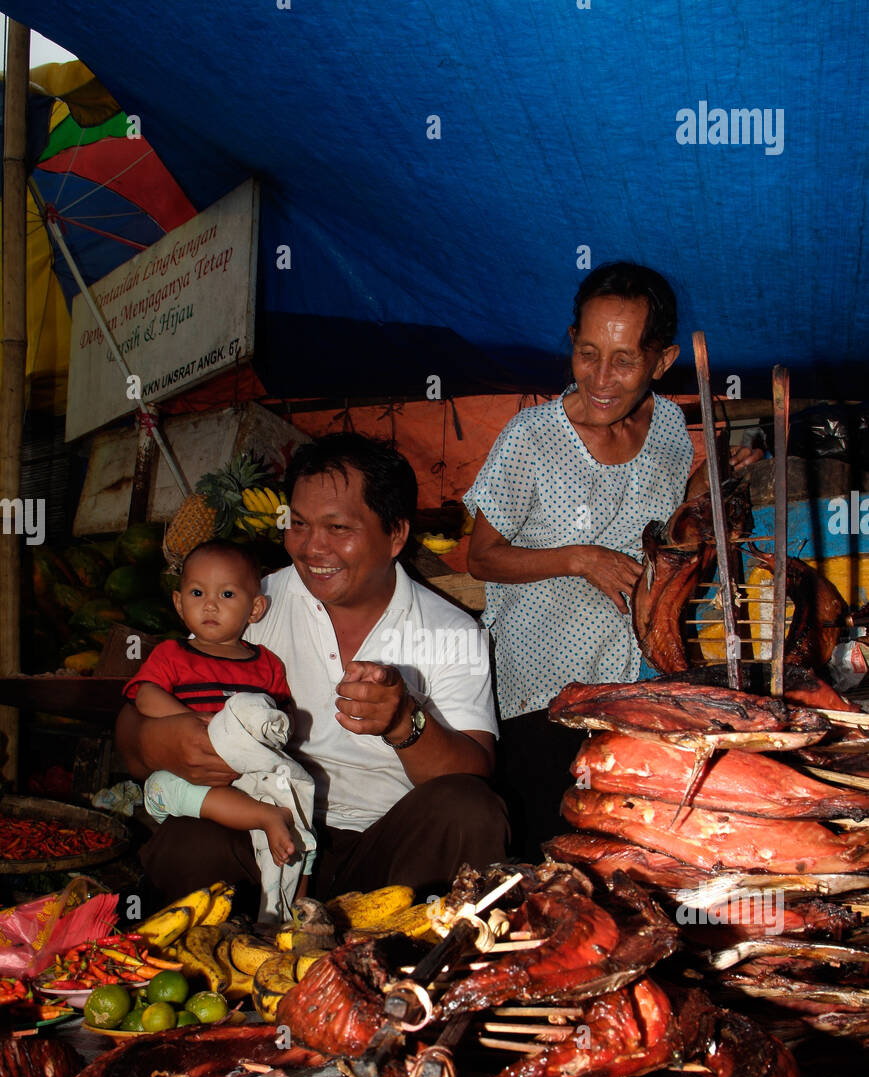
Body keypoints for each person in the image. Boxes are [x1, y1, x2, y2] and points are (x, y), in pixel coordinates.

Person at [116, 434, 508, 907]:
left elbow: (474, 770)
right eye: (298, 523)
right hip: (265, 832)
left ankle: (408, 968)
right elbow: (133, 726)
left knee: (471, 812)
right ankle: (215, 972)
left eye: (338, 528)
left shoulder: (451, 631)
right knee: (187, 843)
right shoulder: (249, 603)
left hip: (384, 847)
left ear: (396, 535)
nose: (311, 547)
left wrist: (405, 722)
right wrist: (159, 741)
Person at [464, 261, 760, 858]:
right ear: (572, 342)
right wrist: (579, 559)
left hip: (634, 687)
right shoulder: (532, 438)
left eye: (624, 360)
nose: (601, 377)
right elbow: (481, 558)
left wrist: (715, 479)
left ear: (662, 361)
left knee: (618, 854)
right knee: (545, 856)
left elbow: (672, 515)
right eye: (588, 353)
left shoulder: (672, 426)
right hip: (542, 695)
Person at [123, 540, 306, 870]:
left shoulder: (267, 664)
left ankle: (292, 906)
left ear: (255, 608)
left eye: (226, 595)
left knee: (301, 813)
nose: (209, 606)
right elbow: (146, 696)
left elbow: (281, 718)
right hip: (189, 776)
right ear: (178, 603)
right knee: (159, 787)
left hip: (247, 774)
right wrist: (196, 724)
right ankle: (264, 817)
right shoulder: (172, 653)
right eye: (197, 594)